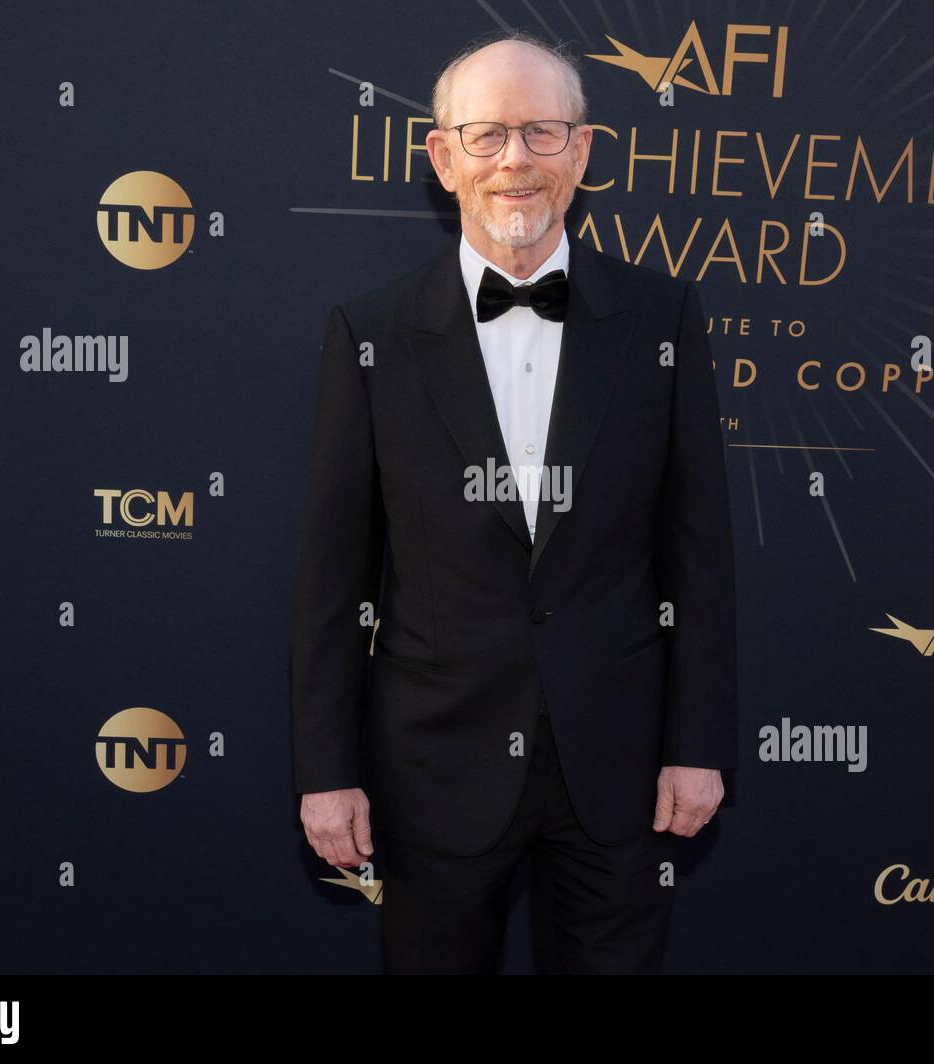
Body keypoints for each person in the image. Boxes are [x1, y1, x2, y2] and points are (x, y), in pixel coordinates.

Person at [290, 29, 738, 974]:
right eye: (487, 135)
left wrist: (696, 745)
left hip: (615, 771)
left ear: (581, 152)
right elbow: (333, 577)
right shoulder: (368, 335)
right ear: (443, 157)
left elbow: (698, 556)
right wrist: (327, 773)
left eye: (541, 133)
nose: (515, 162)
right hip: (432, 771)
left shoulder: (665, 321)